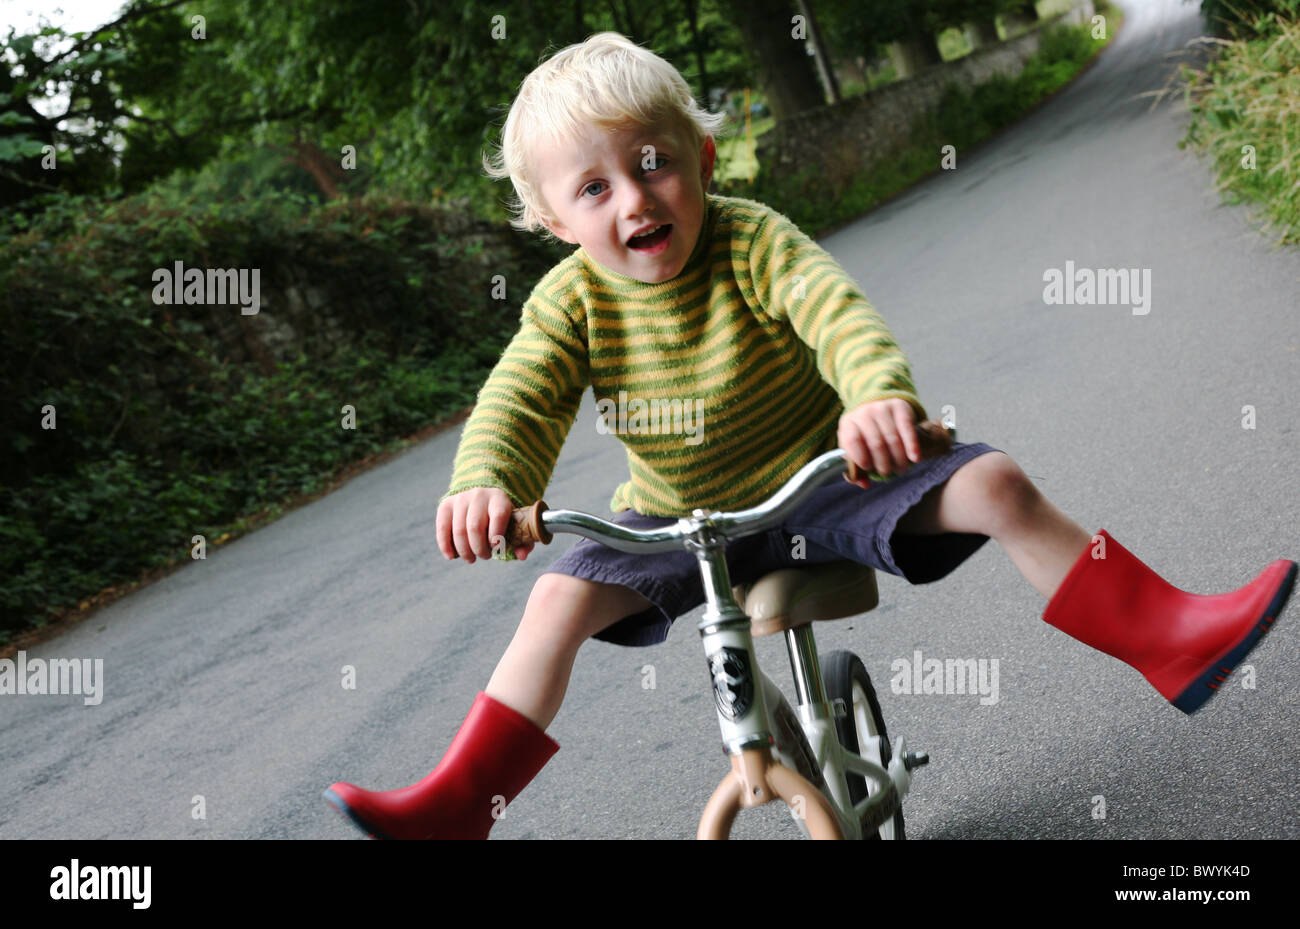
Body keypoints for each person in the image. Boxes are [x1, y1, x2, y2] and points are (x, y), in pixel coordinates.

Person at [323, 32, 1296, 840]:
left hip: (821, 481)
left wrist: (874, 396)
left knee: (994, 483)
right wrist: (487, 481)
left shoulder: (752, 241)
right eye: (593, 188)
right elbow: (521, 396)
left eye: (653, 162)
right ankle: (462, 802)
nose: (634, 198)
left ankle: (1166, 633)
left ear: (700, 158)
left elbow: (834, 312)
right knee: (552, 600)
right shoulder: (568, 302)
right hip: (672, 517)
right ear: (549, 218)